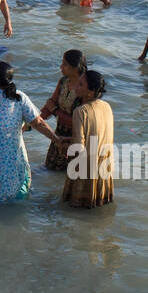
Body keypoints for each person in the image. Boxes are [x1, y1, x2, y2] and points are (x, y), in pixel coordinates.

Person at [0, 61, 63, 204]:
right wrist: (57, 140)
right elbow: (38, 123)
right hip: (7, 160)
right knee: (11, 194)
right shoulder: (20, 97)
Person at [58, 69, 115, 208]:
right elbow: (99, 135)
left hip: (86, 168)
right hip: (104, 165)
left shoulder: (80, 111)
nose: (76, 87)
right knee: (100, 205)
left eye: (81, 85)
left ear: (90, 91)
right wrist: (68, 139)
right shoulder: (106, 106)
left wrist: (63, 146)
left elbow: (79, 147)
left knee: (76, 209)